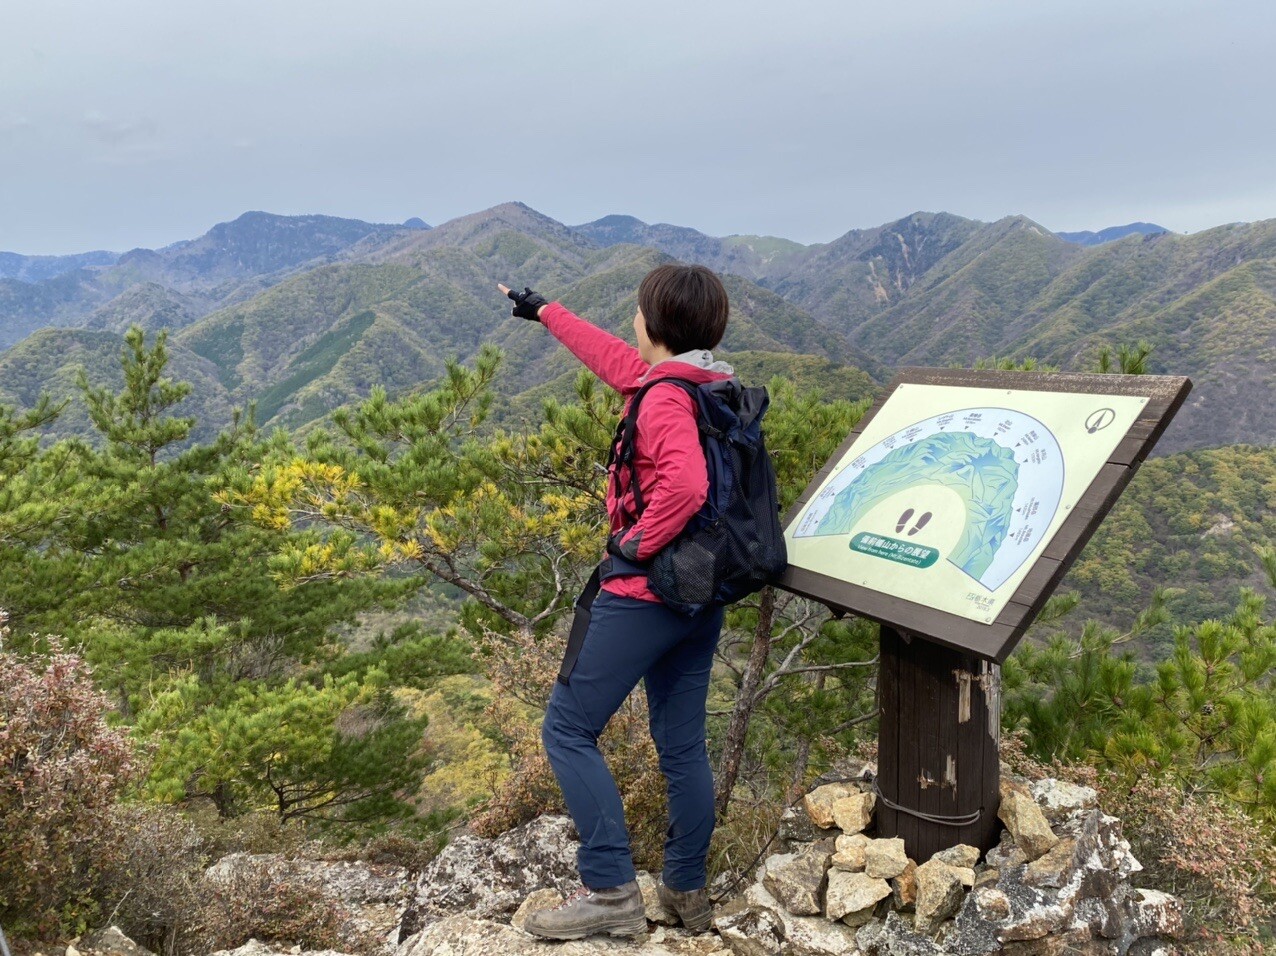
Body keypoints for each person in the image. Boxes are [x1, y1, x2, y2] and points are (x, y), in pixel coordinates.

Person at [495, 264, 733, 940]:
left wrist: (633, 544)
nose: (632, 322)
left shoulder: (662, 400)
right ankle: (686, 888)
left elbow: (683, 487)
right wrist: (544, 312)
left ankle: (609, 891)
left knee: (568, 730)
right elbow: (616, 360)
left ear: (654, 323)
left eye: (637, 311)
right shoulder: (707, 384)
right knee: (682, 744)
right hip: (700, 591)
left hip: (646, 592)